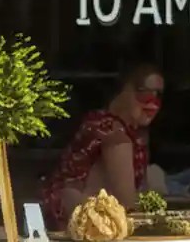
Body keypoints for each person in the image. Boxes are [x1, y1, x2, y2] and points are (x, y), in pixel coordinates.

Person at [41, 63, 165, 230]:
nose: (153, 103)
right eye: (144, 92)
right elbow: (128, 206)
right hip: (82, 226)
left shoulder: (112, 126)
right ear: (123, 91)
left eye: (158, 94)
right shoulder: (115, 135)